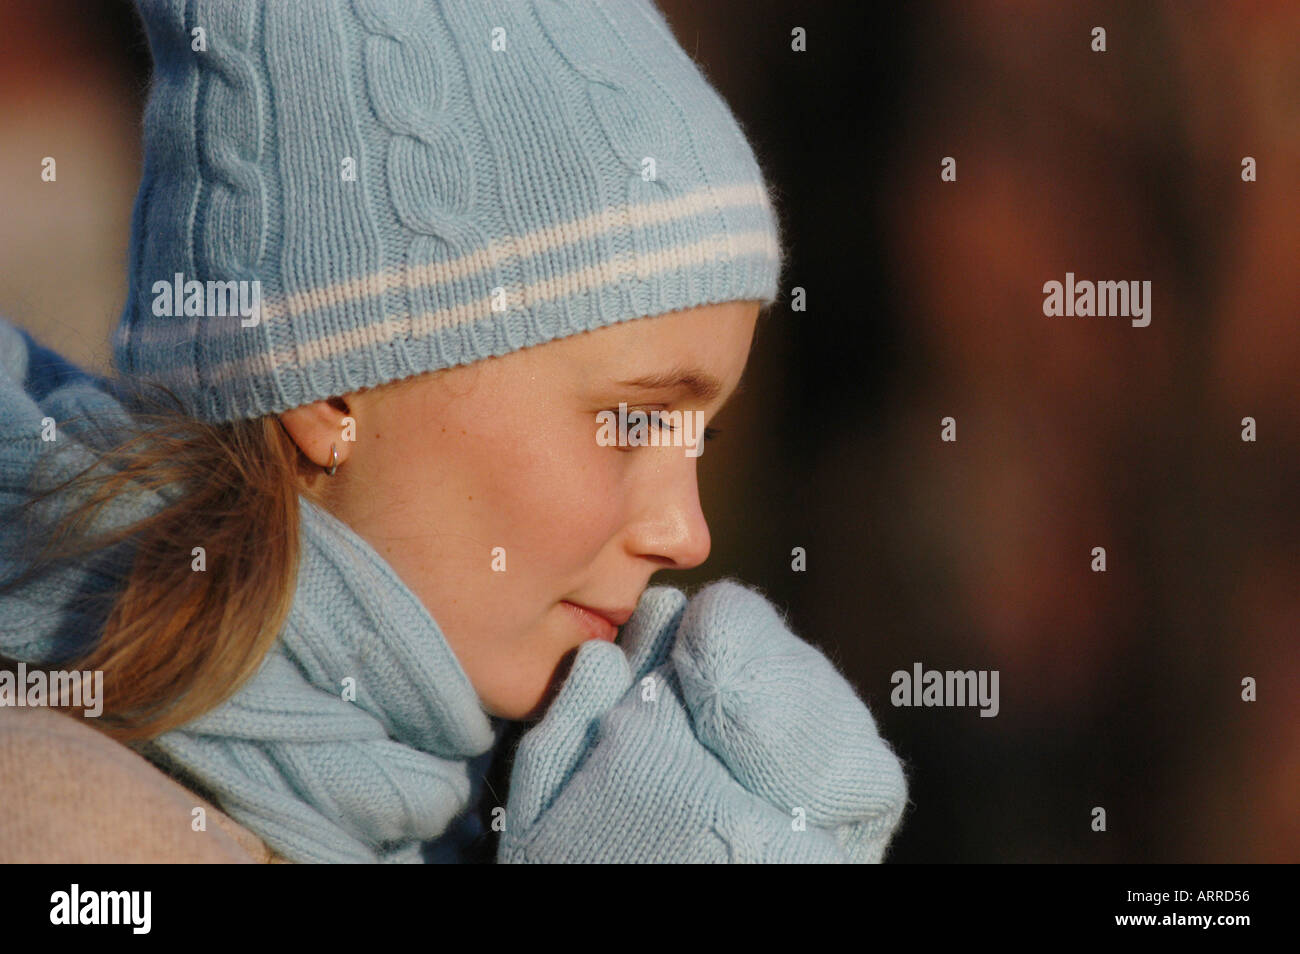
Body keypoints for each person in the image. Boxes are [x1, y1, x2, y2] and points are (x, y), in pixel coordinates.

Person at [0, 0, 909, 863]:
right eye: (636, 419)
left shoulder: (464, 805)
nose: (688, 534)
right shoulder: (66, 821)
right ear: (335, 390)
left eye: (700, 436)